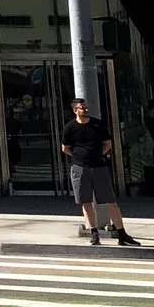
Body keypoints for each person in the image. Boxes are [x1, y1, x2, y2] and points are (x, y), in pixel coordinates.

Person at [61, 98, 137, 246]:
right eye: (82, 108)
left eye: (86, 107)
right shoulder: (69, 127)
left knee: (110, 201)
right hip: (80, 167)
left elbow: (107, 143)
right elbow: (65, 148)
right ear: (75, 110)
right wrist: (78, 156)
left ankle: (122, 233)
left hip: (99, 167)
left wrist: (98, 154)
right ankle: (94, 233)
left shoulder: (98, 124)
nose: (85, 109)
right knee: (86, 201)